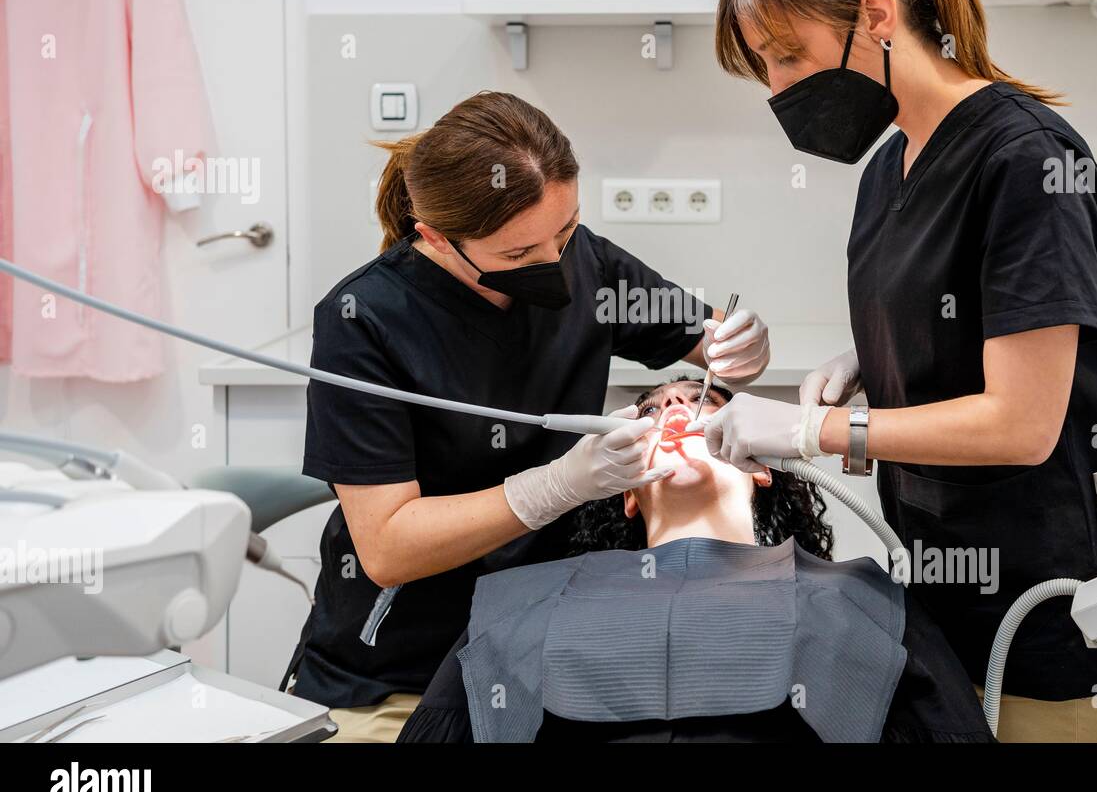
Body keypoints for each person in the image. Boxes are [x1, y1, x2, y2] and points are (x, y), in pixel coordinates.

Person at [697, 0, 1097, 741]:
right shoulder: (893, 166)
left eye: (787, 56)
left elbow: (1020, 424)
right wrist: (869, 359)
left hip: (1051, 606)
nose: (776, 89)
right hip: (941, 587)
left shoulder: (1024, 160)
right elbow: (962, 310)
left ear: (876, 13)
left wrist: (810, 434)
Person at [281, 92, 773, 742]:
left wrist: (739, 345)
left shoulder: (587, 262)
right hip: (400, 676)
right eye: (517, 257)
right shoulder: (364, 321)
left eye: (564, 232)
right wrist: (555, 486)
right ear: (435, 236)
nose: (554, 264)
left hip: (542, 655)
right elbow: (388, 548)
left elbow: (708, 346)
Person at [397, 378, 993, 743]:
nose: (676, 409)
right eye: (655, 411)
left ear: (761, 464)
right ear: (625, 492)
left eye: (701, 401)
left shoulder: (859, 598)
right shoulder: (522, 600)